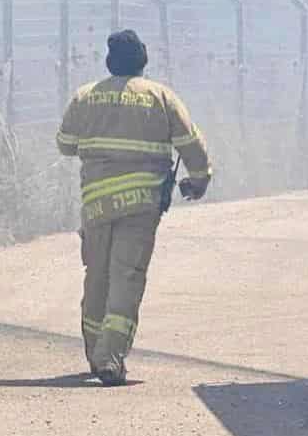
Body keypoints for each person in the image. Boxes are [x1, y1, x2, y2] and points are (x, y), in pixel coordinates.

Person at [54, 29, 212, 385]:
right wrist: (199, 179)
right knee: (126, 278)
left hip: (97, 207)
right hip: (140, 208)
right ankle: (109, 358)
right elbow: (191, 144)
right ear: (143, 62)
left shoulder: (85, 97)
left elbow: (65, 144)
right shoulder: (161, 97)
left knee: (96, 278)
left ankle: (95, 351)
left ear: (109, 63)